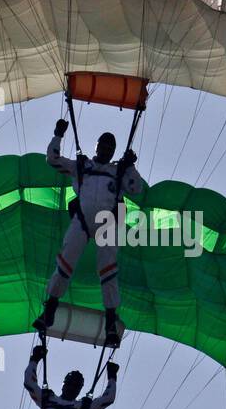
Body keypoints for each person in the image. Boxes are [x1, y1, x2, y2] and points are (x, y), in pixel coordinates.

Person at [38, 120, 145, 345]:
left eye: (110, 148)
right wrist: (58, 134)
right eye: (103, 145)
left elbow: (137, 189)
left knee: (108, 271)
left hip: (107, 224)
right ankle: (50, 309)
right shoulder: (81, 166)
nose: (106, 150)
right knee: (66, 261)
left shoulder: (118, 172)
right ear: (96, 146)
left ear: (114, 152)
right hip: (82, 222)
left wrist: (130, 167)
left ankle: (110, 324)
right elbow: (52, 160)